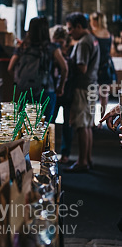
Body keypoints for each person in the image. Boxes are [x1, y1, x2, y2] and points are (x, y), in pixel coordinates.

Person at [8, 16, 68, 121]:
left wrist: (19, 82)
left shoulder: (22, 48)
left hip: (25, 92)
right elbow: (64, 68)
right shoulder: (52, 48)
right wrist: (61, 87)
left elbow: (10, 68)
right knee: (45, 126)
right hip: (46, 91)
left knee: (26, 125)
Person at [64, 12, 100, 173]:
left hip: (82, 87)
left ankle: (82, 161)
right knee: (87, 124)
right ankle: (88, 159)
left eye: (71, 29)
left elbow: (82, 67)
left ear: (79, 26)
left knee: (80, 126)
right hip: (92, 85)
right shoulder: (93, 38)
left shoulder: (83, 43)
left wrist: (67, 62)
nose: (69, 32)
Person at [51, 26, 74, 164]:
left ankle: (65, 153)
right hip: (55, 91)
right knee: (51, 123)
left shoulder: (71, 53)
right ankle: (50, 151)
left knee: (67, 125)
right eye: (56, 41)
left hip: (68, 92)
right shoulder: (54, 52)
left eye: (61, 42)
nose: (58, 44)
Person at [89, 12, 116, 122]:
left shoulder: (92, 34)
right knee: (104, 97)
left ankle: (91, 121)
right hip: (106, 67)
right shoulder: (109, 34)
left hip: (95, 67)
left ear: (95, 21)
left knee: (91, 96)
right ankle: (101, 120)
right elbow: (111, 52)